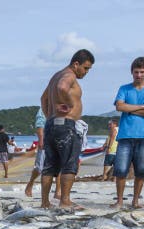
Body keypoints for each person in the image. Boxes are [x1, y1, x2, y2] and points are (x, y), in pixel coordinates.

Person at [39, 49, 95, 209]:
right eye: (85, 68)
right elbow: (63, 88)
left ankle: (45, 202)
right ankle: (65, 200)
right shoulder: (68, 76)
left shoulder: (55, 76)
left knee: (49, 166)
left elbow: (43, 99)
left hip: (50, 124)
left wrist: (50, 115)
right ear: (76, 64)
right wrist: (69, 105)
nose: (86, 72)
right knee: (70, 164)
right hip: (66, 126)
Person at [111, 56, 144, 209]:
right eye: (136, 72)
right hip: (125, 135)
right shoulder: (124, 88)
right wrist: (143, 107)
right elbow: (119, 107)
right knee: (120, 170)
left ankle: (135, 201)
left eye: (142, 72)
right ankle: (119, 201)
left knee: (141, 171)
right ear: (131, 72)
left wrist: (131, 109)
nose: (138, 75)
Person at [25, 108, 46, 197]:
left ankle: (58, 192)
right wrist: (41, 139)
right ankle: (31, 183)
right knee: (39, 168)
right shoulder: (44, 108)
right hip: (46, 140)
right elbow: (40, 123)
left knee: (60, 168)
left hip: (59, 141)